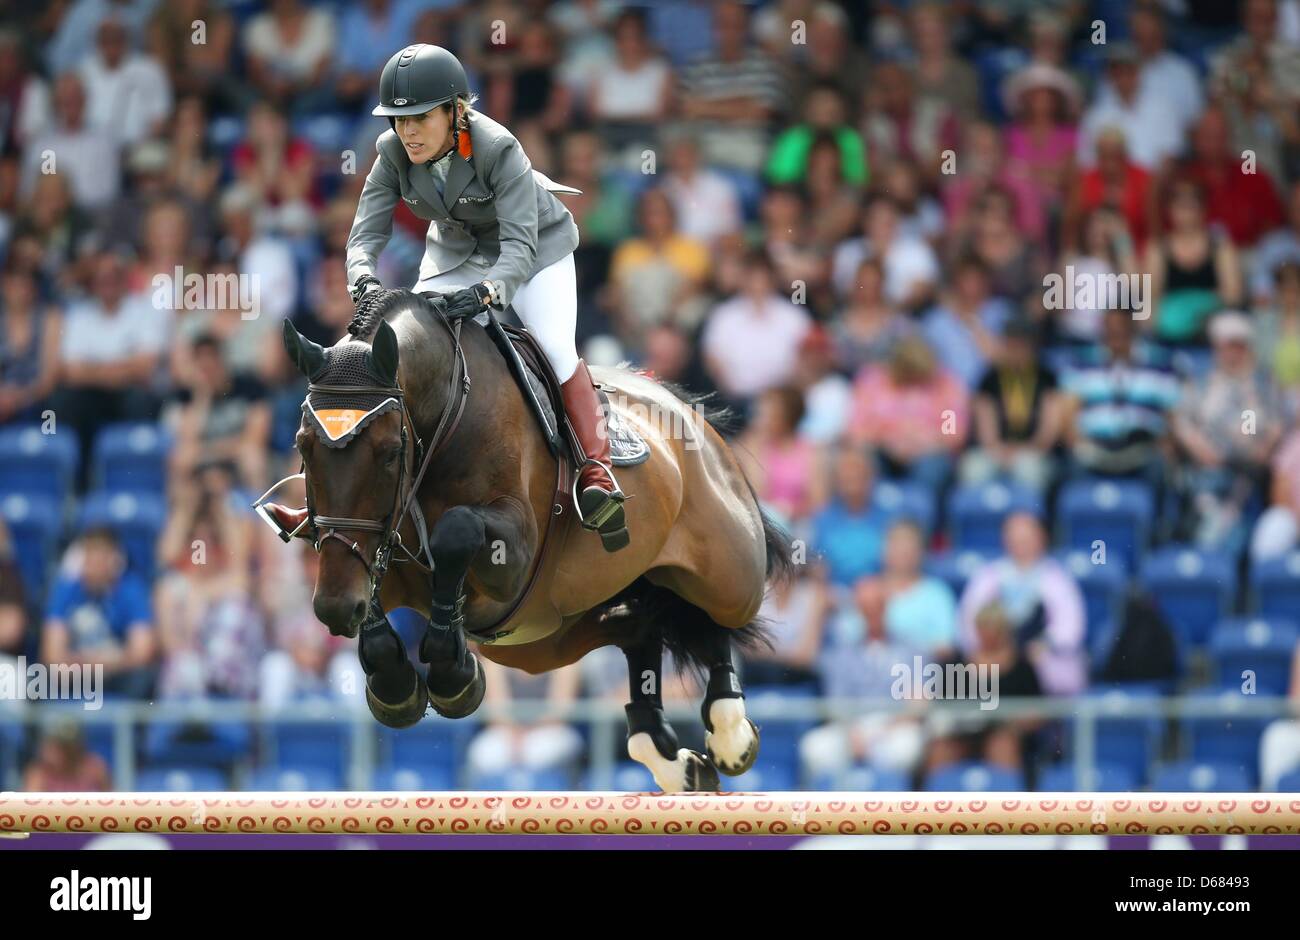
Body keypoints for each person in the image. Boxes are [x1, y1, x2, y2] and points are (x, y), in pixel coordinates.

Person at [346, 43, 628, 551]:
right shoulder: (391, 152)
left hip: (535, 251)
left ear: (456, 111)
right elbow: (365, 234)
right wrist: (362, 277)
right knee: (413, 344)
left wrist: (488, 293)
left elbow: (518, 246)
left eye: (418, 118)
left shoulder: (498, 147)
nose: (406, 131)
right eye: (397, 120)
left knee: (555, 346)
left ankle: (597, 472)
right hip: (457, 251)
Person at [957, 513, 1087, 697]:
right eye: (1015, 538)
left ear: (1042, 538)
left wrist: (1043, 646)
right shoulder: (988, 575)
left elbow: (1070, 629)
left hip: (1041, 663)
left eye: (1026, 538)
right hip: (995, 661)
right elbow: (969, 621)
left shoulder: (1058, 578)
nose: (1021, 544)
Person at [40, 527, 158, 700]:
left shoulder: (131, 589)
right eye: (89, 555)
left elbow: (142, 651)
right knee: (39, 678)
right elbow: (52, 654)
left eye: (100, 557)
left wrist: (106, 662)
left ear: (114, 559)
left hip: (116, 675)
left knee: (142, 678)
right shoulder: (66, 589)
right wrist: (89, 663)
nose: (93, 565)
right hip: (77, 676)